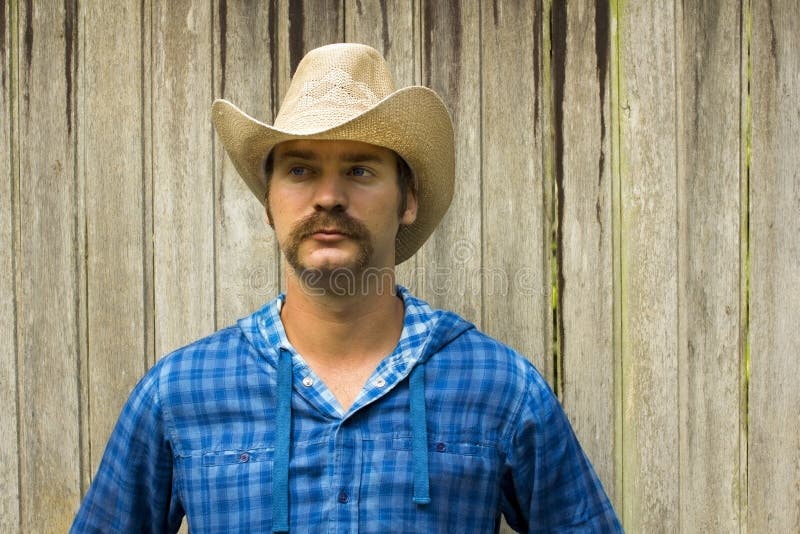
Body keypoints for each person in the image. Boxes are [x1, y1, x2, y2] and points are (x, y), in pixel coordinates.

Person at [71, 43, 622, 533]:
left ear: (408, 200)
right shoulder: (179, 393)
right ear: (268, 203)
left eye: (359, 170)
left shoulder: (501, 389)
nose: (329, 196)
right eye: (300, 170)